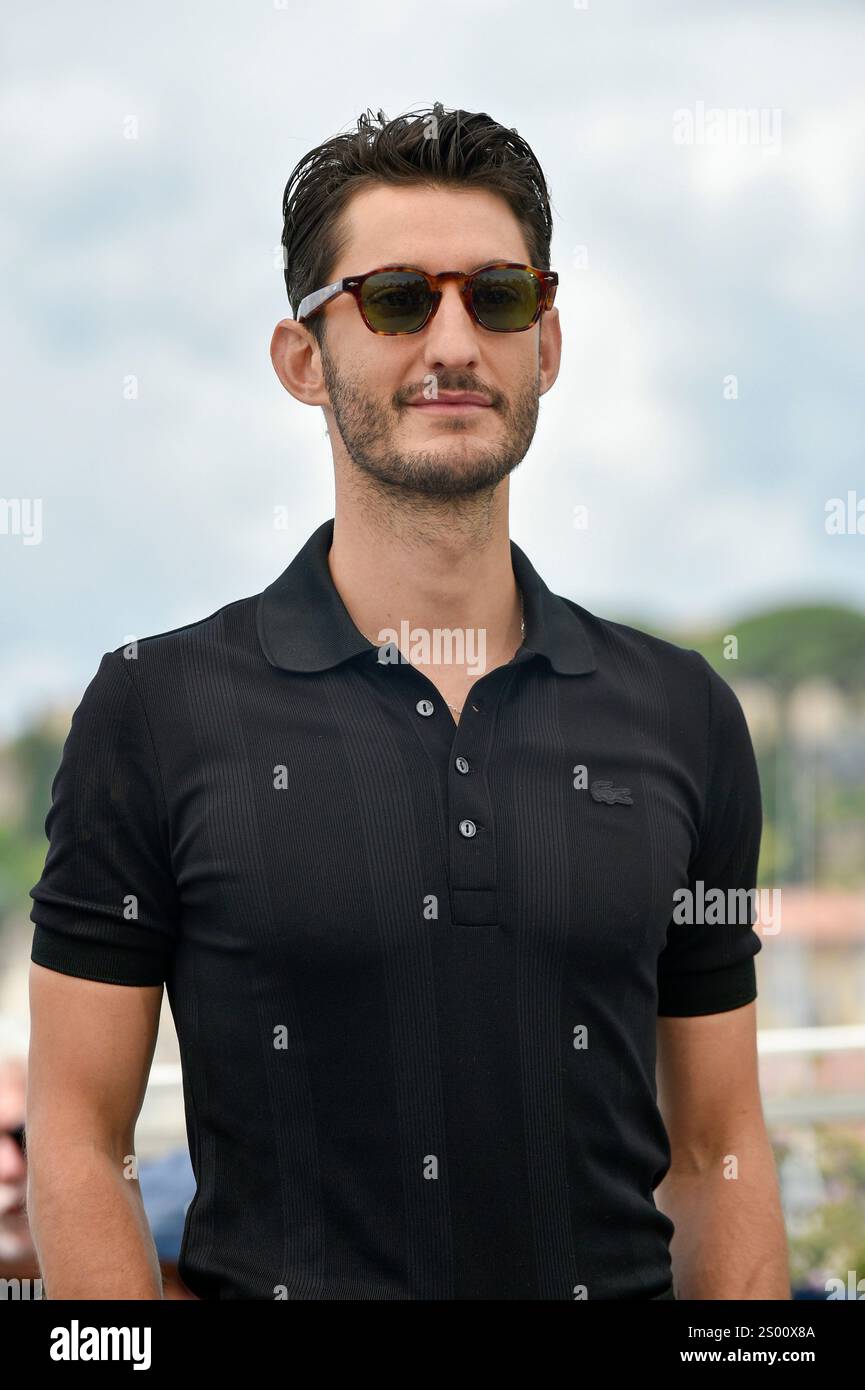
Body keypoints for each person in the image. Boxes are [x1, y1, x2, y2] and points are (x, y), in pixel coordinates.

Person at [26, 103, 790, 1300]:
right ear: (301, 358)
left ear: (546, 340)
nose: (453, 342)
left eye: (496, 297)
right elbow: (78, 1141)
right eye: (393, 300)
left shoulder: (683, 713)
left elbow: (717, 1146)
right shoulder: (154, 707)